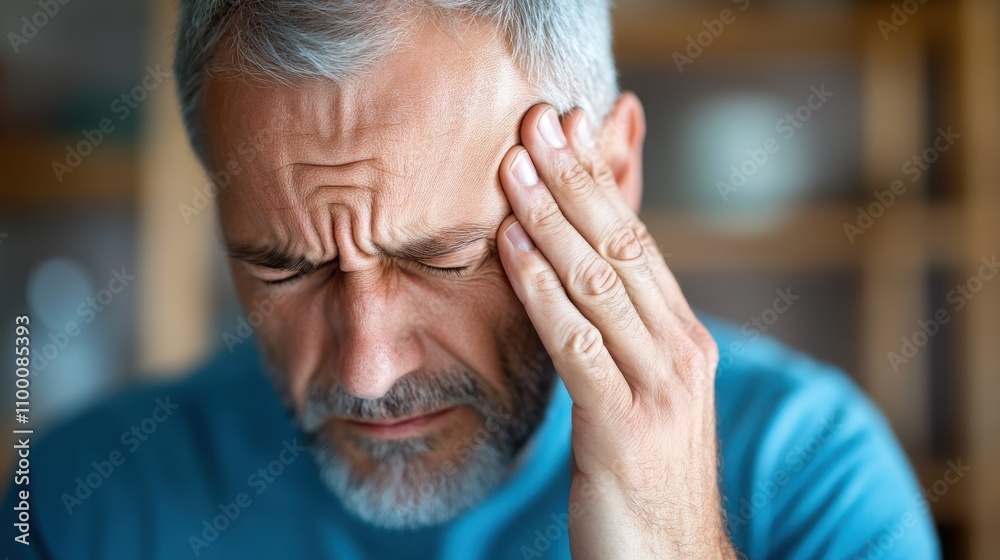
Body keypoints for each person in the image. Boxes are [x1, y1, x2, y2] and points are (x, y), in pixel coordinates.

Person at [5, 1, 940, 558]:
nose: (366, 371)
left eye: (443, 258)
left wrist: (668, 539)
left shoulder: (809, 477)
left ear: (606, 180)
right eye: (284, 268)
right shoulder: (74, 507)